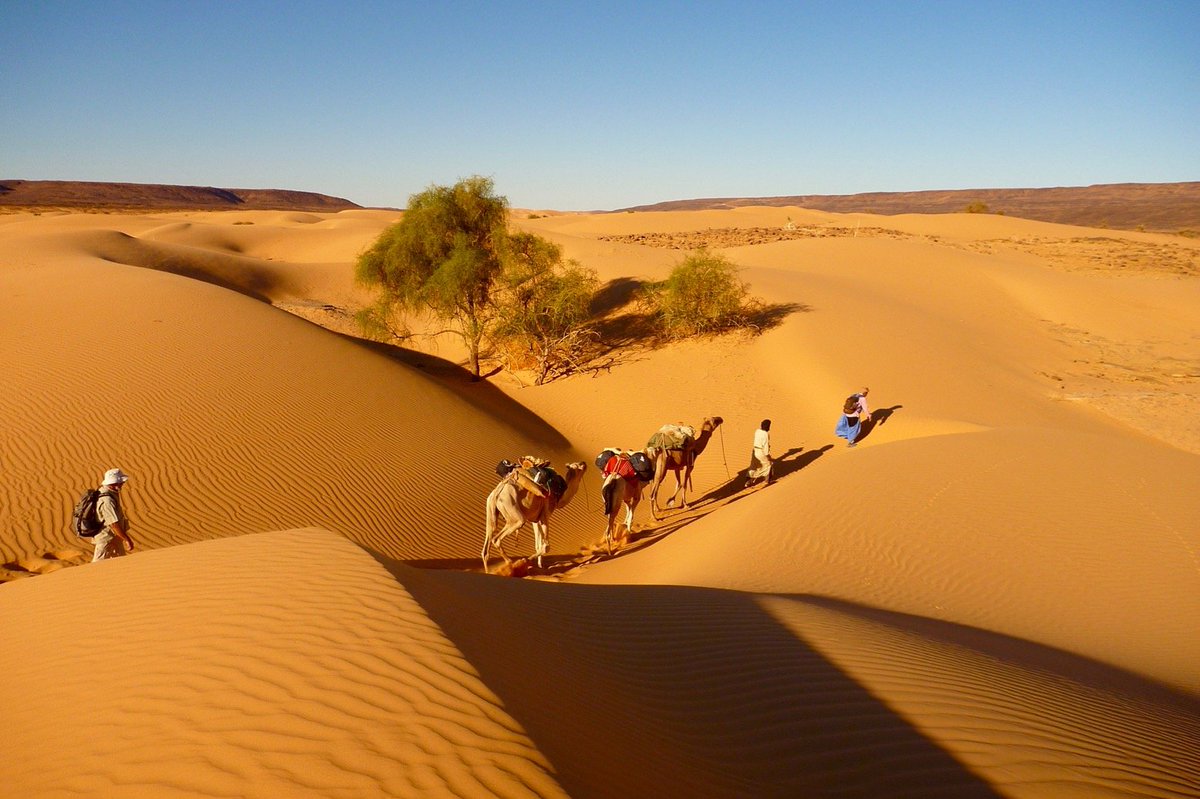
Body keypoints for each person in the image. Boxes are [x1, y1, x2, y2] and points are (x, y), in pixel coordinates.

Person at [92, 468, 134, 561]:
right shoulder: (107, 500)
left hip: (115, 537)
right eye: (121, 482)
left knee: (121, 562)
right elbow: (113, 524)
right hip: (106, 539)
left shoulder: (109, 493)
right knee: (96, 565)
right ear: (114, 484)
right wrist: (127, 539)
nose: (123, 484)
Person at [746, 419, 773, 487]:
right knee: (769, 464)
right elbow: (765, 446)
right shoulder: (766, 434)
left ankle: (748, 482)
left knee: (754, 465)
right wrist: (768, 456)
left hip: (755, 450)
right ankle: (767, 481)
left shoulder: (757, 431)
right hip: (761, 451)